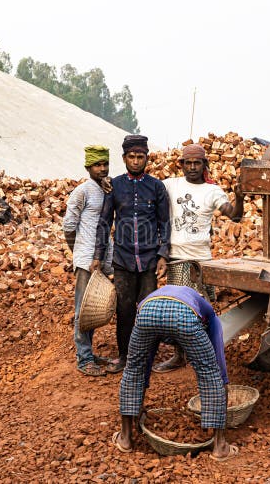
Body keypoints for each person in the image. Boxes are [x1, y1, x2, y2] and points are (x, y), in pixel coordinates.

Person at [112, 285, 237, 462]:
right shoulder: (209, 314)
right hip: (183, 315)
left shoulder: (161, 294)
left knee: (133, 369)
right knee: (210, 373)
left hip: (147, 311)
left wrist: (141, 392)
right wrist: (222, 379)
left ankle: (125, 438)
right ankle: (220, 446)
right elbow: (216, 360)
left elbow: (144, 361)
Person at [153, 144, 243, 373]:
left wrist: (240, 197)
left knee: (201, 310)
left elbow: (234, 214)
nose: (192, 167)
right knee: (178, 309)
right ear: (181, 165)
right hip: (176, 258)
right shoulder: (170, 185)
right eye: (188, 163)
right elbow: (147, 194)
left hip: (201, 260)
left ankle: (202, 355)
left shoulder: (212, 191)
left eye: (197, 163)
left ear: (205, 165)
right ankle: (180, 355)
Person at [91, 134, 170, 374]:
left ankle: (146, 358)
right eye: (131, 157)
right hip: (123, 260)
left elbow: (165, 223)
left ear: (147, 158)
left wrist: (163, 254)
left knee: (148, 311)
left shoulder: (156, 187)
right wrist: (98, 256)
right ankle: (125, 356)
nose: (136, 161)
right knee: (124, 310)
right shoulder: (114, 186)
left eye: (140, 157)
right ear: (124, 158)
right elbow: (104, 223)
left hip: (148, 262)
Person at [63, 145, 114, 376]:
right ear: (88, 167)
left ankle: (88, 353)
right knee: (82, 309)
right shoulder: (82, 192)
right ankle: (83, 359)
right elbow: (69, 226)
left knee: (94, 307)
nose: (102, 169)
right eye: (97, 165)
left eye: (105, 164)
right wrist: (77, 252)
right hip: (86, 259)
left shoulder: (107, 188)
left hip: (103, 257)